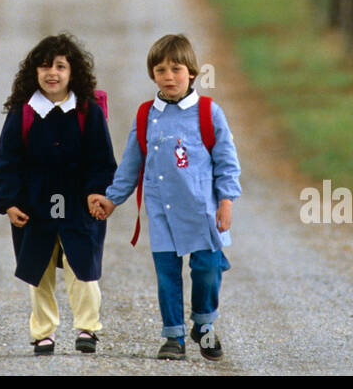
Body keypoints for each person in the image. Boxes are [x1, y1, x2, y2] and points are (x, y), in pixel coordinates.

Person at [89, 33, 241, 360]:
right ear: (152, 75)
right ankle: (173, 336)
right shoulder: (146, 115)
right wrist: (112, 199)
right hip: (162, 212)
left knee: (208, 269)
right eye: (160, 70)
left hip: (203, 211)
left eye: (176, 69)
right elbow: (131, 163)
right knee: (167, 275)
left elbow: (227, 162)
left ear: (191, 72)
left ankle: (203, 323)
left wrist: (226, 201)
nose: (168, 77)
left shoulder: (208, 113)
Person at [0, 32, 117, 355]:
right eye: (45, 67)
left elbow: (102, 160)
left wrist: (97, 193)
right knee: (39, 271)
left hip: (79, 207)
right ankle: (43, 332)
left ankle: (87, 328)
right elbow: (7, 161)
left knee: (84, 270)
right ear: (33, 73)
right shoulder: (24, 113)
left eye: (60, 67)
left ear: (72, 72)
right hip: (35, 207)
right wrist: (9, 203)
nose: (53, 74)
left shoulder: (88, 111)